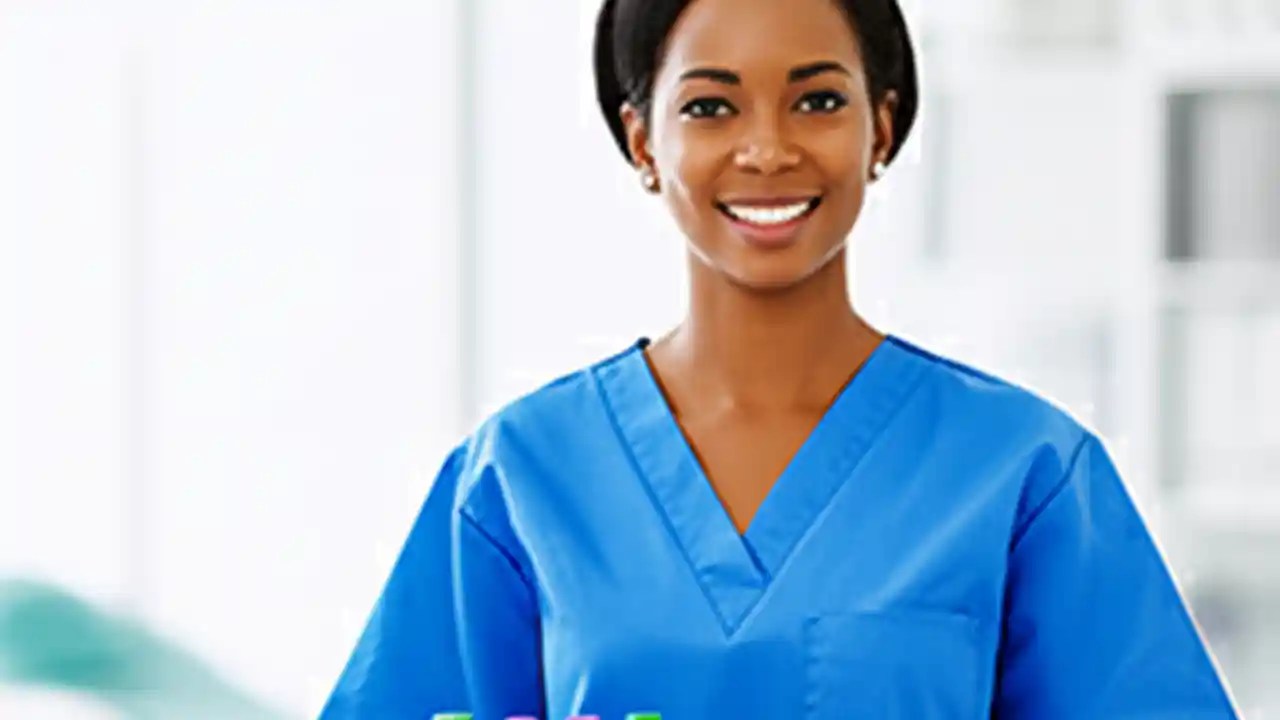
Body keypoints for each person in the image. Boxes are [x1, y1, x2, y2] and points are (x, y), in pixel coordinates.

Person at [320, 0, 1239, 717]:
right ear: (644, 141)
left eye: (818, 101)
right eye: (710, 107)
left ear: (882, 128)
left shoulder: (1023, 473)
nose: (767, 148)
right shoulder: (521, 476)